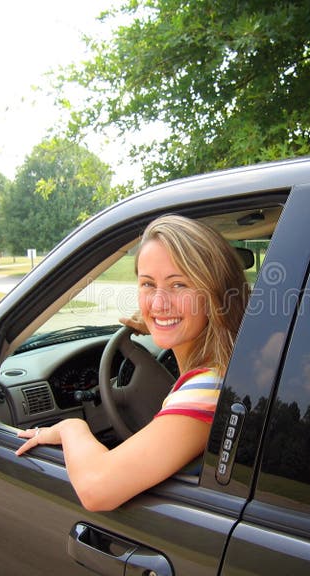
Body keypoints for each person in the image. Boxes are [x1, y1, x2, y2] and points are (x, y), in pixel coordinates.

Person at [16, 214, 250, 511]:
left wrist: (70, 427)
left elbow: (95, 488)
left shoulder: (208, 389)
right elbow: (165, 309)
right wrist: (158, 323)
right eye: (148, 285)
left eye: (179, 285)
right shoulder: (236, 362)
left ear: (214, 293)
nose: (158, 303)